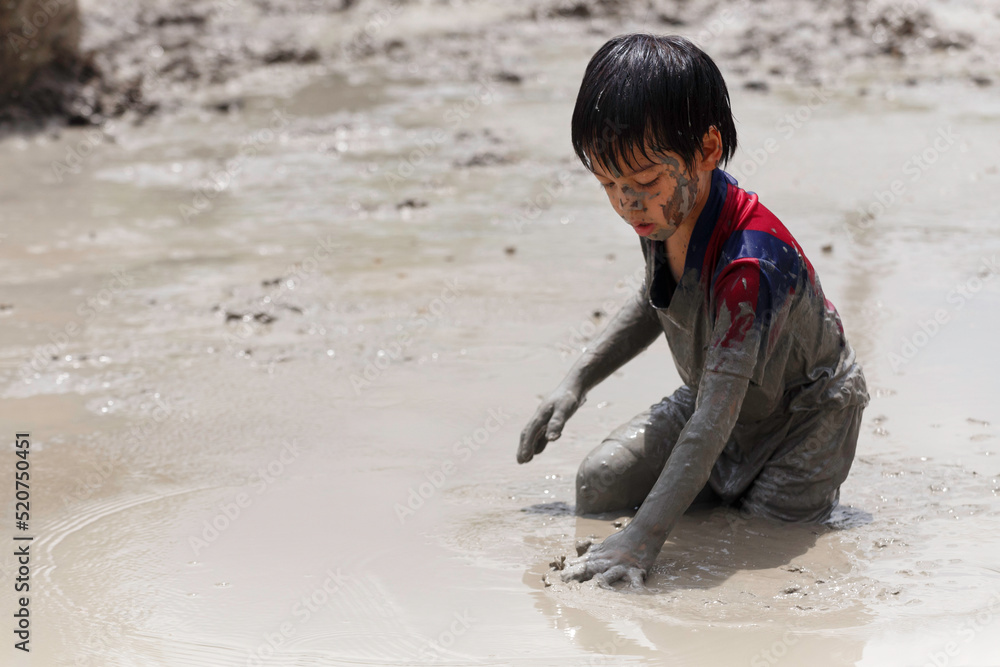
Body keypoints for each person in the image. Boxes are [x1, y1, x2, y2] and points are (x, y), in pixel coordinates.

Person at [516, 33, 869, 588]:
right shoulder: (663, 212)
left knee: (754, 540)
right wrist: (575, 382)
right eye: (608, 183)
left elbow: (711, 422)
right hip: (718, 394)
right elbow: (657, 296)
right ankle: (699, 496)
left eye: (644, 181)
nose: (628, 202)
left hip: (803, 418)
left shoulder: (751, 264)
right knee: (601, 482)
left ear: (705, 151)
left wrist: (640, 542)